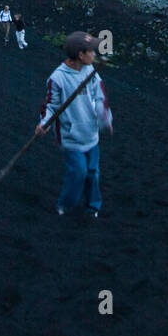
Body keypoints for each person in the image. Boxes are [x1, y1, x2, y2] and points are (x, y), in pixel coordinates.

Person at [34, 32, 112, 217]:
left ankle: (93, 206)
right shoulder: (58, 78)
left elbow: (100, 97)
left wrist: (104, 117)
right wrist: (44, 123)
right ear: (80, 55)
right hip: (70, 137)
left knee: (93, 173)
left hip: (91, 135)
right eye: (92, 51)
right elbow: (50, 106)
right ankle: (65, 205)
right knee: (78, 172)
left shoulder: (91, 71)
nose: (95, 54)